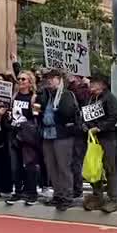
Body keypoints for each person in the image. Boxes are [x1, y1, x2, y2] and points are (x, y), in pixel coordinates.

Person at [38, 69, 80, 210]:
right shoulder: (47, 95)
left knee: (63, 167)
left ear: (60, 79)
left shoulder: (66, 95)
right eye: (48, 79)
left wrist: (57, 99)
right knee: (52, 167)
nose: (49, 81)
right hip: (48, 134)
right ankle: (58, 194)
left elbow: (67, 113)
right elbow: (39, 111)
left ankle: (67, 196)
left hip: (62, 134)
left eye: (53, 78)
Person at [84, 74, 117, 211]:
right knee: (95, 168)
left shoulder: (109, 98)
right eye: (91, 82)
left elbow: (113, 118)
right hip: (93, 138)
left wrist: (99, 127)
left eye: (95, 82)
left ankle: (113, 199)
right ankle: (97, 196)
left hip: (107, 137)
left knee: (109, 167)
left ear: (103, 84)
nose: (91, 84)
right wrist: (86, 126)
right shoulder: (91, 99)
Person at [7, 68, 42, 206]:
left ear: (30, 82)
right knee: (15, 166)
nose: (20, 81)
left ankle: (31, 192)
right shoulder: (14, 96)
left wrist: (33, 112)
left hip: (27, 135)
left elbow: (37, 116)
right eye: (19, 79)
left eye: (23, 79)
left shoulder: (34, 97)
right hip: (14, 133)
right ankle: (18, 191)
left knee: (30, 164)